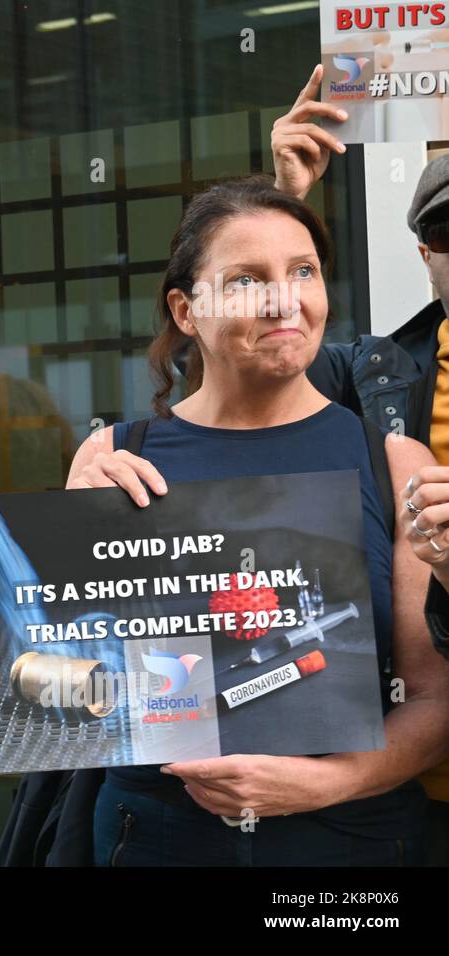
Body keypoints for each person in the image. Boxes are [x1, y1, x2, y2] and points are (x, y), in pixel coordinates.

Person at [65, 176, 449, 866]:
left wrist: (325, 783)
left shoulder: (395, 464)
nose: (285, 300)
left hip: (348, 839)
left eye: (304, 271)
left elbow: (434, 695)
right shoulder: (112, 459)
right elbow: (68, 691)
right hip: (156, 835)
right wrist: (69, 537)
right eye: (246, 280)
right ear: (186, 310)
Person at [270, 64, 449, 862]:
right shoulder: (378, 375)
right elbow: (248, 372)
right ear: (423, 253)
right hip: (420, 790)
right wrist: (285, 199)